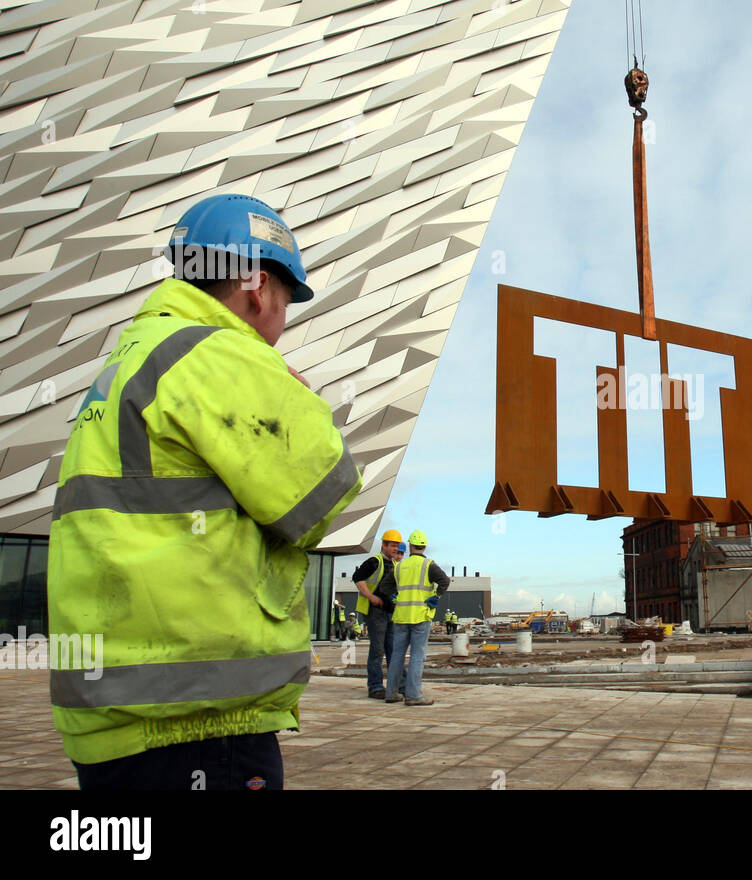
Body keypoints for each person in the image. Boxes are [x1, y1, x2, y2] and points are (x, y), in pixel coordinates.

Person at [48, 193, 362, 790]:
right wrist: (294, 394)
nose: (283, 315)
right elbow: (322, 495)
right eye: (287, 298)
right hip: (195, 716)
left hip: (118, 714)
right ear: (258, 286)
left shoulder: (135, 355)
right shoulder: (217, 352)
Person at [386, 530, 451, 706]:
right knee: (417, 655)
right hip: (420, 616)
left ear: (410, 546)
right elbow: (445, 581)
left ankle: (391, 693)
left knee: (397, 655)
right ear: (424, 546)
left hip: (401, 617)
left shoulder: (399, 566)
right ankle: (413, 695)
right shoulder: (428, 565)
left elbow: (385, 586)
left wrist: (393, 596)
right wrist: (436, 596)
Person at [352, 530, 403, 698]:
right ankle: (375, 687)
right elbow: (358, 578)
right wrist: (371, 596)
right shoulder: (374, 562)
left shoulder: (396, 565)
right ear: (384, 545)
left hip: (391, 612)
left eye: (397, 545)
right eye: (393, 545)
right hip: (375, 612)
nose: (396, 548)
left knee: (393, 649)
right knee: (378, 649)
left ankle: (398, 684)